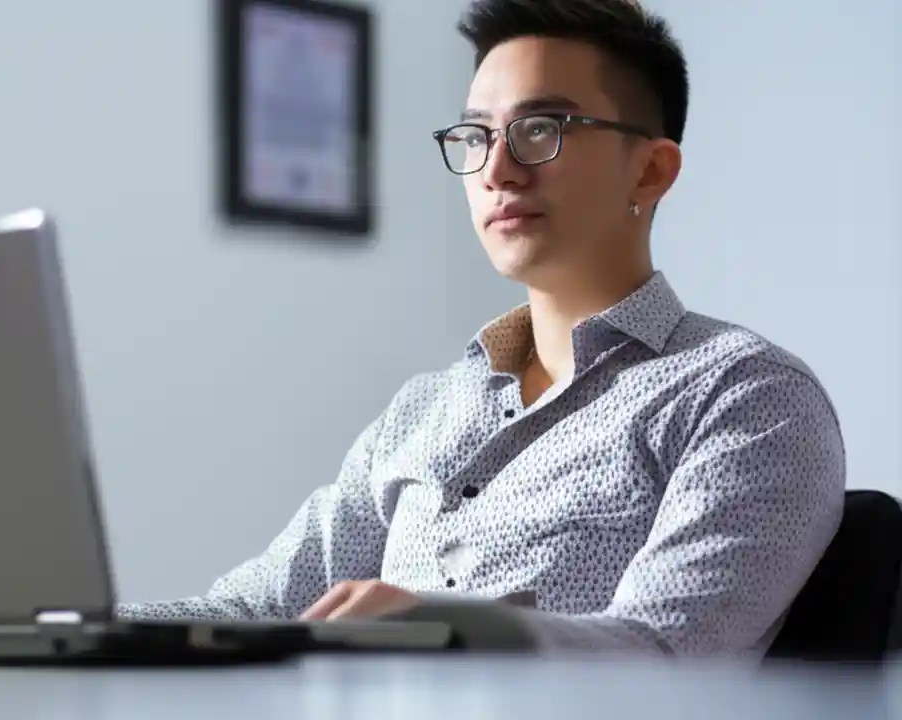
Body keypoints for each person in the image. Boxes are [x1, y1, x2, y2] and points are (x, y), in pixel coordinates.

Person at [120, 0, 845, 656]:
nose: (497, 169)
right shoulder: (422, 411)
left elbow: (663, 653)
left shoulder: (747, 399)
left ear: (649, 172)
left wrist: (445, 628)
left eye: (540, 129)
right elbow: (253, 607)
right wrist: (53, 623)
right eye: (476, 135)